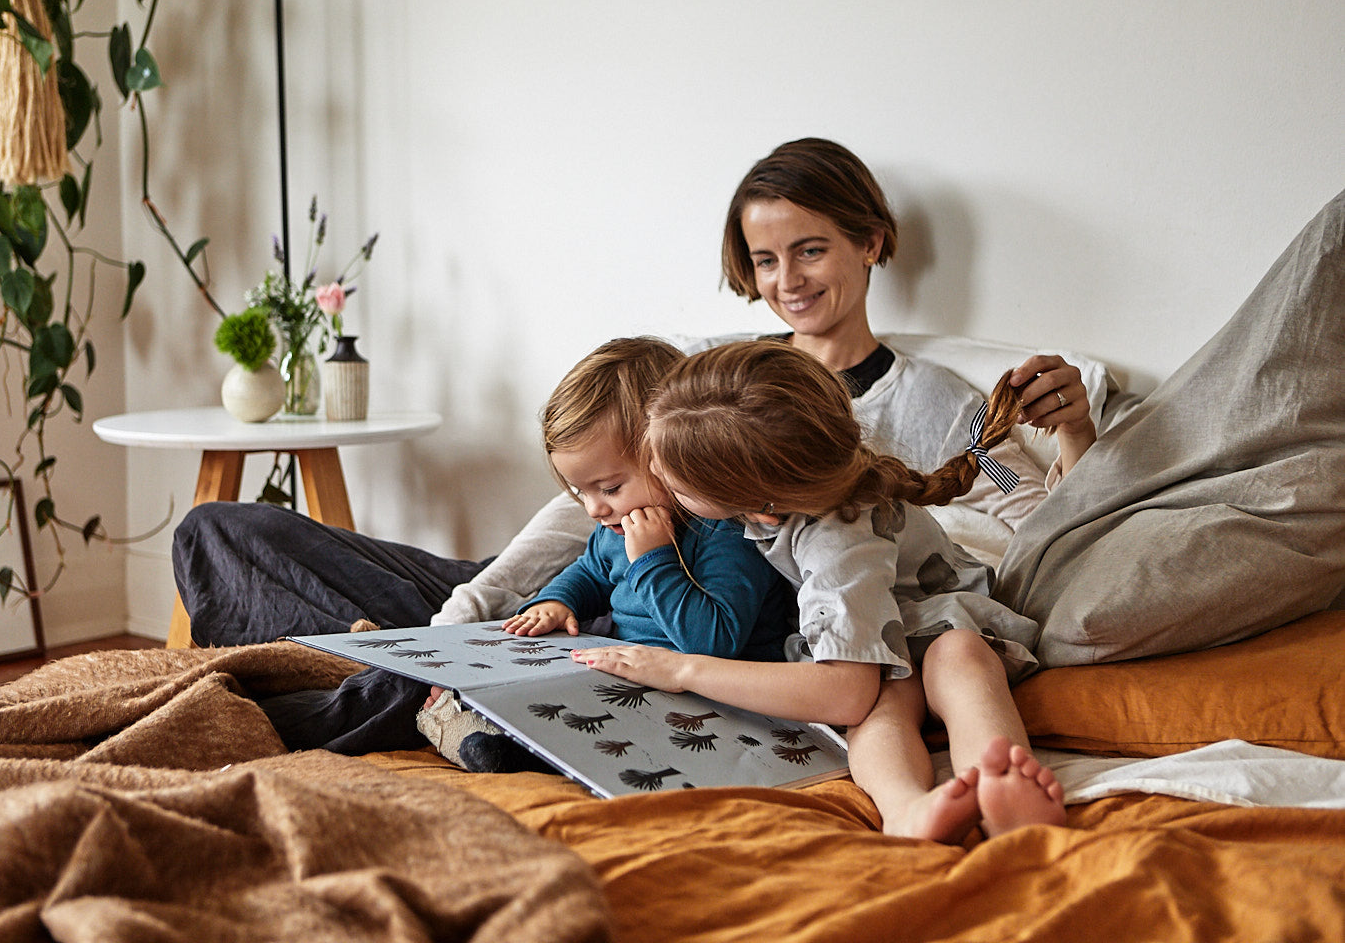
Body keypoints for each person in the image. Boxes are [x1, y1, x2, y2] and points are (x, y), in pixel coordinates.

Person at [174, 136, 1092, 647]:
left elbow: (1036, 545)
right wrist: (479, 610)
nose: (789, 280)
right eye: (765, 260)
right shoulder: (704, 373)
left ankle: (371, 664)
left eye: (811, 249)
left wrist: (1076, 436)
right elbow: (583, 509)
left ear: (871, 243)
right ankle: (396, 655)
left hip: (682, 615)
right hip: (562, 590)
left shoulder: (934, 400)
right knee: (222, 532)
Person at [572, 339, 1063, 842]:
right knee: (886, 707)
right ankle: (908, 811)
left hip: (934, 622)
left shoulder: (838, 538)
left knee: (956, 656)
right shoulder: (786, 490)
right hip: (878, 646)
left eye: (674, 486)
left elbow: (845, 693)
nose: (654, 476)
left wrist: (683, 670)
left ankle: (1001, 784)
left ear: (758, 508)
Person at [254, 337, 797, 761]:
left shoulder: (723, 532)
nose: (594, 510)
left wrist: (653, 559)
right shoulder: (617, 529)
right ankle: (352, 707)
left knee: (571, 719)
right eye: (578, 492)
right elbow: (588, 572)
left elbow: (714, 642)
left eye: (609, 488)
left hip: (702, 699)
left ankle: (472, 737)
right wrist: (558, 602)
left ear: (671, 452)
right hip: (623, 670)